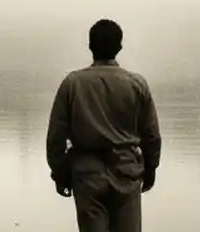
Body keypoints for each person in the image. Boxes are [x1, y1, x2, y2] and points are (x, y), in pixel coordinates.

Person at [46, 19, 162, 232]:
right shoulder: (136, 84)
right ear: (119, 47)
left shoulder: (73, 83)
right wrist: (151, 169)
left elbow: (56, 137)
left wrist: (59, 173)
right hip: (127, 173)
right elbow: (151, 135)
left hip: (87, 176)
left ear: (90, 46)